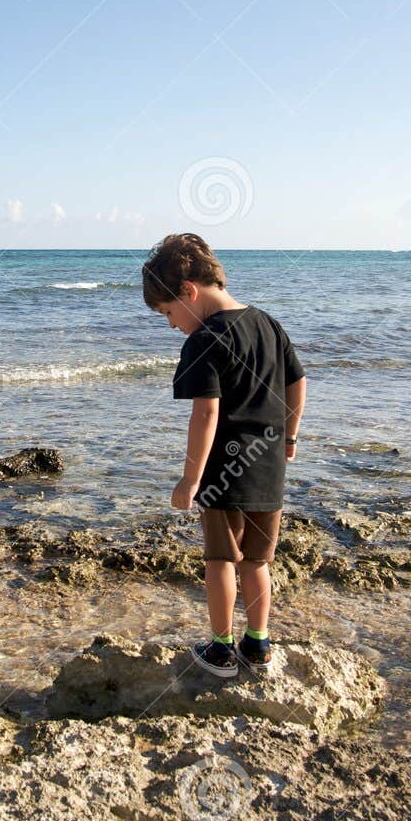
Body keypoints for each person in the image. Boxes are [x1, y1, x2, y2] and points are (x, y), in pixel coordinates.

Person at [142, 233, 306, 679]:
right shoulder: (267, 324)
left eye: (169, 312)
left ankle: (220, 651)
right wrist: (289, 437)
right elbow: (297, 382)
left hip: (223, 471)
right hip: (269, 465)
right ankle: (259, 644)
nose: (173, 324)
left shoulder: (204, 340)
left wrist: (191, 479)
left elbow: (207, 412)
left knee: (220, 560)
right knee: (257, 561)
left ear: (189, 291)